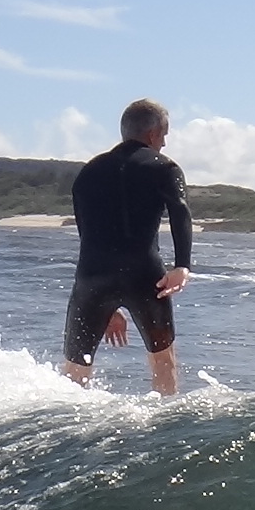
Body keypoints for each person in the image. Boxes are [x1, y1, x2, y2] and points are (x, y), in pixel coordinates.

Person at [61, 97, 192, 395]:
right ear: (154, 133)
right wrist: (182, 265)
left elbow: (87, 235)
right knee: (163, 362)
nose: (165, 143)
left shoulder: (87, 173)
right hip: (145, 277)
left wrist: (106, 305)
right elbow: (180, 210)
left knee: (73, 375)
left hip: (92, 278)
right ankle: (167, 427)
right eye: (165, 135)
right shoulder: (165, 168)